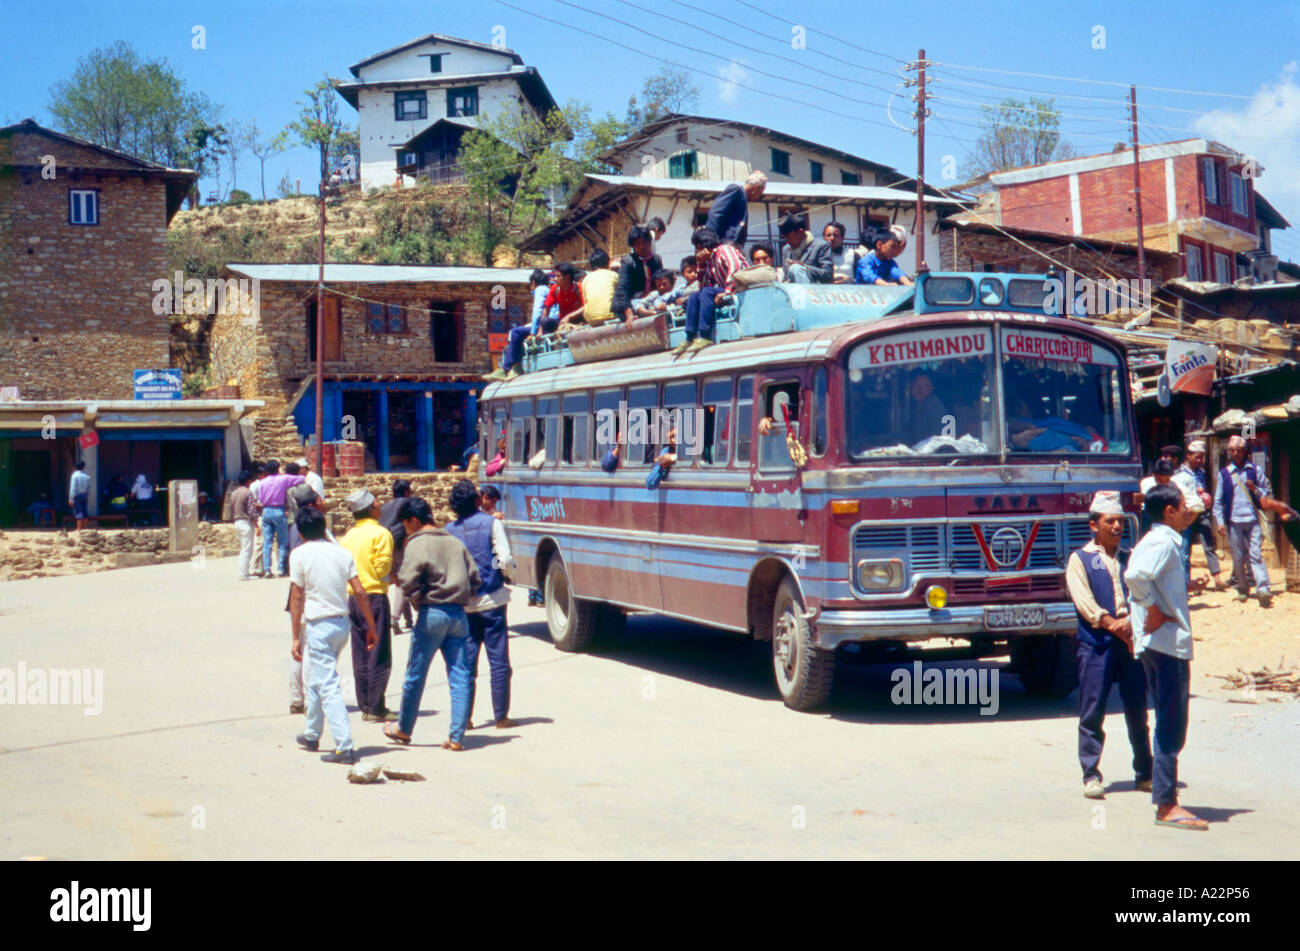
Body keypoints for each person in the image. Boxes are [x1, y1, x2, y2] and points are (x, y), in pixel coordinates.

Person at [1124, 483, 1208, 830]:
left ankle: (1165, 799)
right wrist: (1153, 609)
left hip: (1161, 643)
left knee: (1169, 724)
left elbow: (1152, 578)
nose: (1190, 511)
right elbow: (1135, 576)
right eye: (1184, 506)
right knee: (1170, 727)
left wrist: (1181, 589)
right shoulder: (1161, 541)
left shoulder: (1164, 542)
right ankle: (1166, 805)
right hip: (1164, 644)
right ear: (1170, 511)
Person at [1065, 491, 1152, 800]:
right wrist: (1112, 624)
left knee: (1137, 710)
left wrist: (1133, 625)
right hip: (1097, 644)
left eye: (1119, 520)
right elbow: (1085, 602)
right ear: (1094, 525)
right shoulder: (1081, 560)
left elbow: (1144, 594)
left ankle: (1145, 772)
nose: (1116, 526)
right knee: (1092, 711)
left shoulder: (1131, 558)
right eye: (1109, 521)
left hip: (1130, 645)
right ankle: (1091, 774)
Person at [386, 496, 482, 751]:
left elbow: (407, 581)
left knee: (415, 675)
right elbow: (475, 579)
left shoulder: (417, 544)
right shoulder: (454, 541)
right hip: (459, 615)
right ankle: (456, 736)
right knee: (460, 675)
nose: (405, 529)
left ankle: (404, 729)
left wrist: (418, 599)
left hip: (431, 614)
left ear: (414, 521)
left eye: (406, 524)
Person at [290, 506, 377, 765]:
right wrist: (371, 625)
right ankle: (312, 733)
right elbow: (360, 592)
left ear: (301, 532)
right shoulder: (341, 553)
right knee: (318, 678)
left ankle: (344, 746)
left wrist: (295, 635)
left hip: (319, 625)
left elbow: (296, 596)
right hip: (342, 624)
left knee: (327, 684)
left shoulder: (299, 555)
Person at [446, 480, 516, 730]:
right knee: (498, 661)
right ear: (477, 501)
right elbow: (504, 558)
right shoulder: (491, 523)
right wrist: (500, 572)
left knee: (466, 663)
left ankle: (464, 718)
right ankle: (501, 716)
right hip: (492, 600)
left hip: (463, 605)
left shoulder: (448, 530)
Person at [338, 489, 395, 722]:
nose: (381, 504)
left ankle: (365, 704)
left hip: (353, 598)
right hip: (374, 597)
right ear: (371, 508)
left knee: (360, 651)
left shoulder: (348, 536)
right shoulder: (381, 534)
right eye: (377, 501)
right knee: (378, 652)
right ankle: (376, 707)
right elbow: (382, 568)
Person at [1212, 435, 1273, 606]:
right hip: (1233, 521)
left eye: (1238, 450)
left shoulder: (1254, 470)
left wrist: (1256, 489)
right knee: (1238, 557)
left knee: (1256, 554)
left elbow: (1266, 493)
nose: (1235, 453)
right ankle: (1243, 587)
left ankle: (1262, 588)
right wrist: (1220, 522)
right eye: (1232, 450)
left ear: (1245, 451)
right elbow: (1217, 501)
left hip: (1252, 520)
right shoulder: (1224, 474)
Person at [285, 483, 329, 714]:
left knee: (299, 649)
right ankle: (311, 699)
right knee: (310, 651)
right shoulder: (313, 527)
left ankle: (297, 698)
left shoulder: (296, 525)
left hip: (299, 593)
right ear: (312, 503)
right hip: (311, 595)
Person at [674, 227, 747, 356]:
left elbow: (734, 268)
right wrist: (701, 265)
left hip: (739, 287)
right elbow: (703, 287)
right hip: (725, 291)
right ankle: (689, 337)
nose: (697, 252)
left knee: (707, 292)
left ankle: (704, 335)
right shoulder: (710, 261)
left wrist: (727, 292)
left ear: (703, 245)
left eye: (697, 248)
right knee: (695, 296)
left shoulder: (724, 249)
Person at [489, 269, 555, 381]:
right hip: (550, 322)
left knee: (515, 332)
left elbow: (537, 311)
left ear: (533, 283)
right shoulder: (547, 290)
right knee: (518, 332)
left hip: (547, 324)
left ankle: (513, 367)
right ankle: (507, 368)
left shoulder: (540, 290)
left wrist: (534, 332)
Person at [1179, 440, 1223, 588]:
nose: (1199, 460)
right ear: (1188, 456)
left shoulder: (1201, 473)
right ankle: (1185, 581)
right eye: (1197, 457)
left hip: (1202, 512)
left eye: (1201, 457)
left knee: (1208, 543)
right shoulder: (1180, 474)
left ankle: (1217, 577)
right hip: (1187, 514)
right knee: (1185, 548)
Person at [257, 460, 305, 578]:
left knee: (267, 542)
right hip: (279, 510)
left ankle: (267, 569)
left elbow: (261, 499)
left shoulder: (262, 482)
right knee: (282, 542)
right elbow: (301, 479)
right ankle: (281, 569)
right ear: (278, 468)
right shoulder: (283, 479)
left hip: (266, 511)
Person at [379, 479, 415, 636]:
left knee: (397, 580)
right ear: (406, 491)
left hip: (385, 547)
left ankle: (408, 620)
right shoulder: (409, 504)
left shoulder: (384, 507)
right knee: (403, 582)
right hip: (401, 546)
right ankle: (394, 617)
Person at [612, 225, 664, 325]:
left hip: (649, 301)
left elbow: (660, 282)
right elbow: (623, 290)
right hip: (629, 304)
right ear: (633, 246)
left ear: (650, 243)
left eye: (645, 242)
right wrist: (629, 313)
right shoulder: (627, 262)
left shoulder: (656, 260)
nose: (642, 246)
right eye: (637, 243)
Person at [705, 171, 766, 246]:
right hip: (724, 245)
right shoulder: (735, 190)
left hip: (733, 247)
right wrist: (712, 242)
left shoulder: (743, 198)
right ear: (756, 188)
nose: (758, 197)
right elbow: (716, 213)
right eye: (760, 193)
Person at [778, 215, 834, 284]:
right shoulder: (786, 249)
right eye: (786, 238)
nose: (788, 242)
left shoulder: (821, 246)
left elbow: (828, 275)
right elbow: (786, 276)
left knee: (796, 268)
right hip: (792, 291)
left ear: (800, 232)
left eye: (790, 238)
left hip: (814, 291)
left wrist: (804, 267)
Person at [903, 370, 948, 445]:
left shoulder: (934, 405)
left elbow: (936, 438)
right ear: (910, 387)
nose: (920, 389)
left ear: (932, 388)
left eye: (926, 385)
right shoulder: (911, 406)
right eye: (916, 385)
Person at [229, 470, 258, 581]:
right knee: (247, 549)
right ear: (248, 481)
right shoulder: (248, 492)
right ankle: (243, 574)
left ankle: (244, 571)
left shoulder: (234, 492)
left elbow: (231, 509)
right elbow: (251, 511)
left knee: (243, 548)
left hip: (237, 522)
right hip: (246, 522)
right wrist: (256, 525)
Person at [578, 249, 619, 326]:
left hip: (591, 319)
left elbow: (585, 303)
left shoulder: (586, 280)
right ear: (608, 262)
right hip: (611, 316)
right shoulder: (614, 275)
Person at [68, 461, 90, 531]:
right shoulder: (86, 476)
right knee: (84, 511)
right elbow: (88, 487)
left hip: (77, 496)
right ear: (83, 467)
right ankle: (85, 528)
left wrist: (71, 499)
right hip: (84, 495)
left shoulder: (74, 475)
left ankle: (78, 528)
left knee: (78, 512)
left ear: (75, 467)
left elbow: (73, 488)